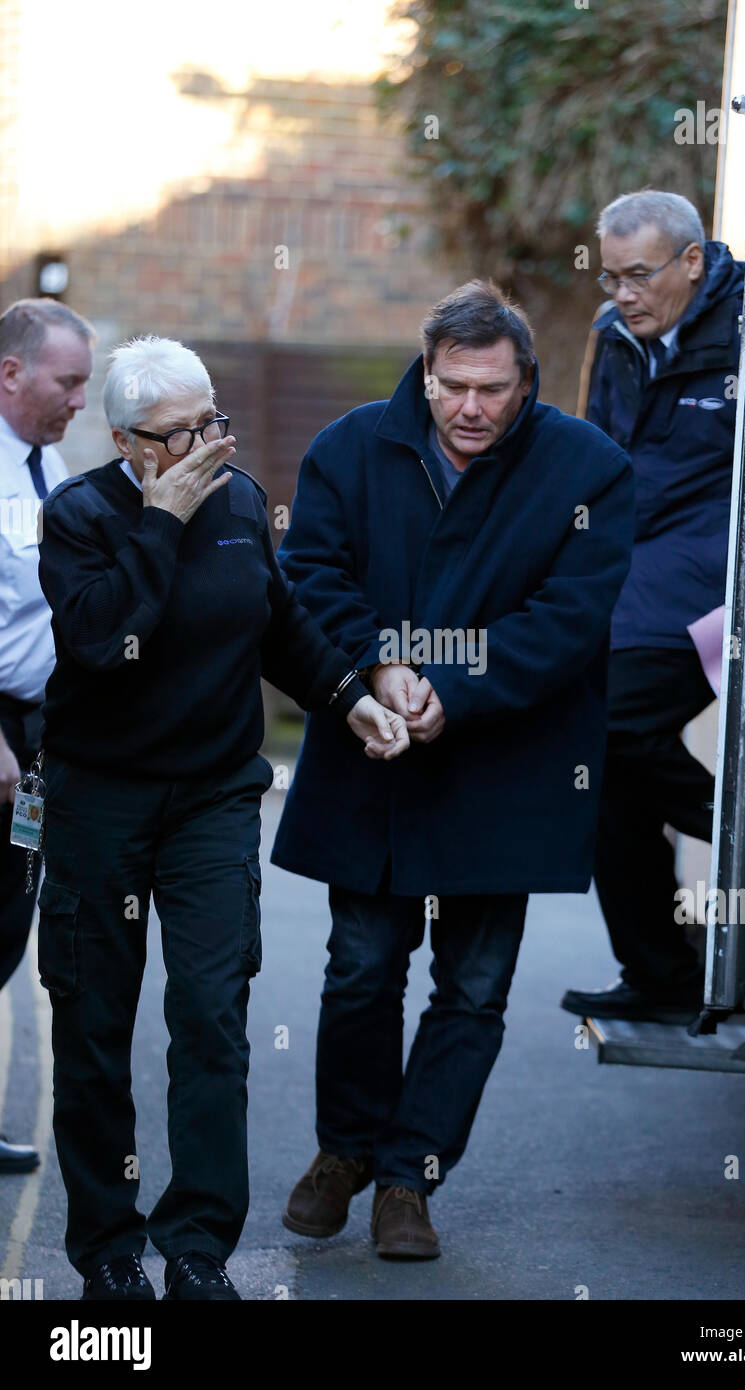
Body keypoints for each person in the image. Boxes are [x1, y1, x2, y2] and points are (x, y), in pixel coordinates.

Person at [36, 336, 409, 1301]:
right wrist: (158, 523)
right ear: (126, 443)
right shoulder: (77, 518)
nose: (211, 445)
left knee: (211, 1018)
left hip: (211, 796)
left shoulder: (242, 501)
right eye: (182, 434)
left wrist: (347, 694)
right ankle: (109, 1253)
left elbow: (275, 619)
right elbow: (101, 641)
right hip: (100, 801)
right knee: (93, 1027)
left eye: (216, 421)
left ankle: (197, 1246)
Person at [271, 280, 634, 1258]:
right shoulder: (349, 446)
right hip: (372, 752)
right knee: (358, 969)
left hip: (505, 765)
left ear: (527, 382)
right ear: (423, 374)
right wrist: (379, 667)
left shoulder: (587, 466)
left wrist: (450, 685)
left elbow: (568, 616)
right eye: (450, 386)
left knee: (471, 990)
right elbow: (310, 575)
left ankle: (407, 1178)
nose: (470, 408)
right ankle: (342, 1152)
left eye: (493, 389)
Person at [560, 190, 745, 1025]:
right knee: (599, 773)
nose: (622, 294)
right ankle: (660, 972)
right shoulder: (612, 339)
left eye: (639, 276)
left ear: (692, 264)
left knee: (606, 726)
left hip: (715, 579)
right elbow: (600, 457)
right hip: (631, 570)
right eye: (611, 278)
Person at [0, 298, 94, 1174]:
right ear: (12, 372)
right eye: (68, 382)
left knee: (7, 922)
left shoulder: (44, 461)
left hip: (31, 733)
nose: (79, 399)